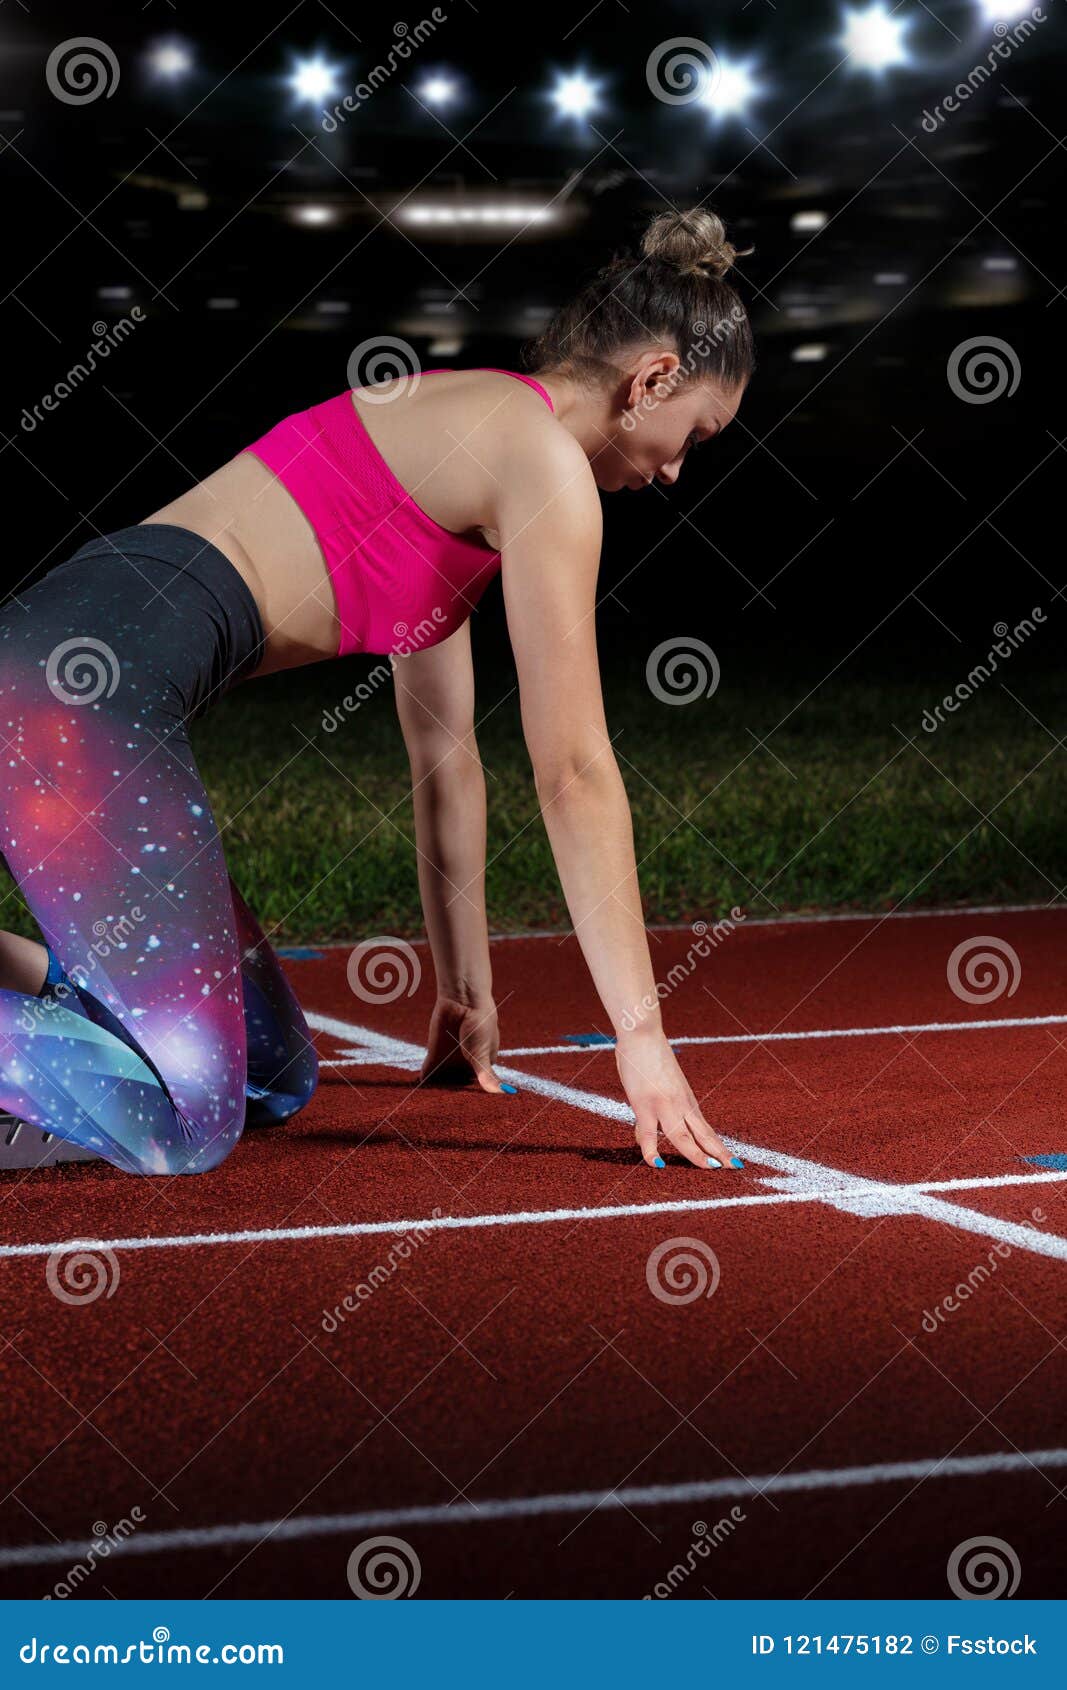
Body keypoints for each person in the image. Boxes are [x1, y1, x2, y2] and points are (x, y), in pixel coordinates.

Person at [0, 207, 754, 1177]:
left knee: (272, 1072)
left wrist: (464, 991)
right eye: (694, 431)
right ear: (651, 379)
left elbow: (444, 759)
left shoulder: (471, 436)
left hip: (67, 663)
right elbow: (571, 770)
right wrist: (641, 1043)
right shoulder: (541, 462)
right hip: (76, 691)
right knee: (183, 1118)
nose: (676, 469)